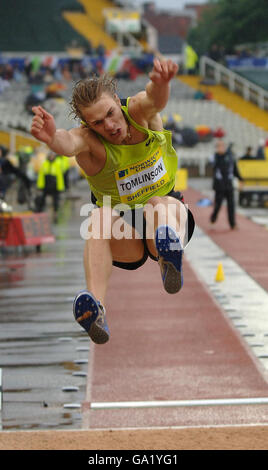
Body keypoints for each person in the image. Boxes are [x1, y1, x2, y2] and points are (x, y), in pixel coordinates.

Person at [30, 58, 195, 345]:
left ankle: (169, 261)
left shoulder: (139, 113)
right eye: (98, 122)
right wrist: (50, 139)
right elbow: (67, 143)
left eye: (110, 113)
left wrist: (162, 83)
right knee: (98, 219)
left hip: (168, 216)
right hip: (125, 233)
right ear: (87, 124)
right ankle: (96, 309)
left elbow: (154, 98)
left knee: (156, 203)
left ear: (118, 101)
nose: (109, 125)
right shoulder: (87, 141)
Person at [210, 140, 243, 230]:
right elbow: (214, 166)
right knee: (218, 205)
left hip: (229, 185)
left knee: (231, 206)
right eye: (219, 146)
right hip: (219, 186)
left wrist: (241, 179)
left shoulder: (230, 157)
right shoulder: (215, 157)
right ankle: (213, 217)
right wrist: (220, 155)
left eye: (222, 146)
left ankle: (232, 224)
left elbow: (234, 169)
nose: (221, 148)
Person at [35, 152, 65, 221]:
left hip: (54, 186)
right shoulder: (44, 164)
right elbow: (41, 176)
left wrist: (60, 187)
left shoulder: (57, 165)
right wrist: (40, 186)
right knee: (41, 200)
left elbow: (59, 177)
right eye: (50, 156)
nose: (51, 157)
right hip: (46, 186)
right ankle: (39, 214)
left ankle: (55, 215)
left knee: (55, 202)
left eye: (53, 156)